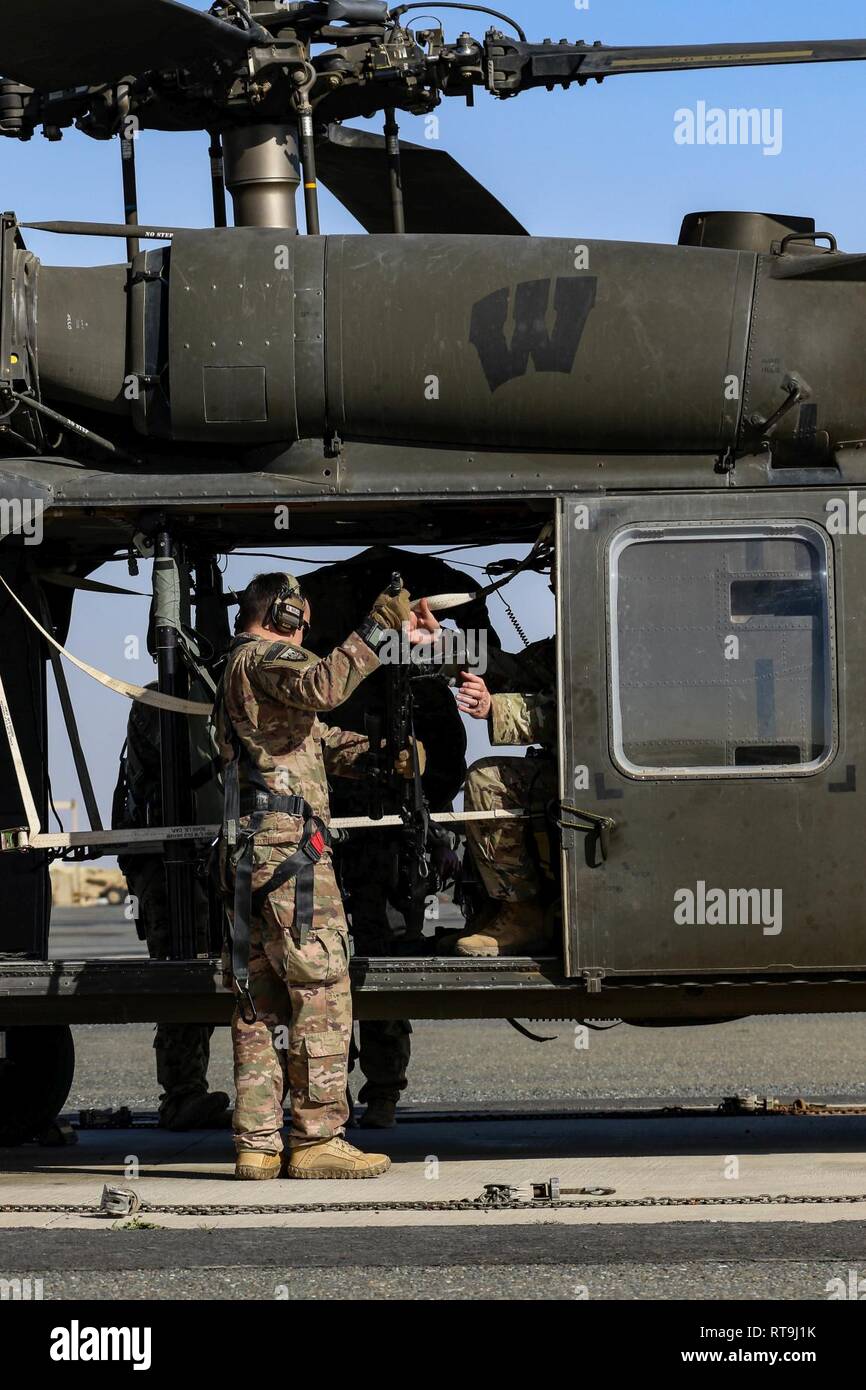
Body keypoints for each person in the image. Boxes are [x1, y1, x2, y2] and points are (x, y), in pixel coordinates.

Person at [215, 572, 425, 1179]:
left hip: (255, 853)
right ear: (282, 614)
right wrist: (378, 627)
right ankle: (316, 1139)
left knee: (262, 1002)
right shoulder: (267, 657)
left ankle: (257, 1146)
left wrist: (383, 754)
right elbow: (324, 685)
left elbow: (316, 737)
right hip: (292, 856)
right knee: (322, 990)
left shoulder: (244, 673)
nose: (306, 633)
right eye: (302, 620)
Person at [415, 599, 558, 957]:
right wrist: (442, 642)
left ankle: (521, 912)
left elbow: (582, 710)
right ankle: (499, 907)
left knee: (489, 780)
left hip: (595, 781)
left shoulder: (615, 637)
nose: (556, 589)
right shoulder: (568, 643)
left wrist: (497, 708)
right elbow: (512, 669)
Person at [114, 696, 231, 1131]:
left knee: (204, 972)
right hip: (169, 862)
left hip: (194, 856)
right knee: (184, 973)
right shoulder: (165, 702)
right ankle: (182, 1095)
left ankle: (187, 1094)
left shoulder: (185, 700)